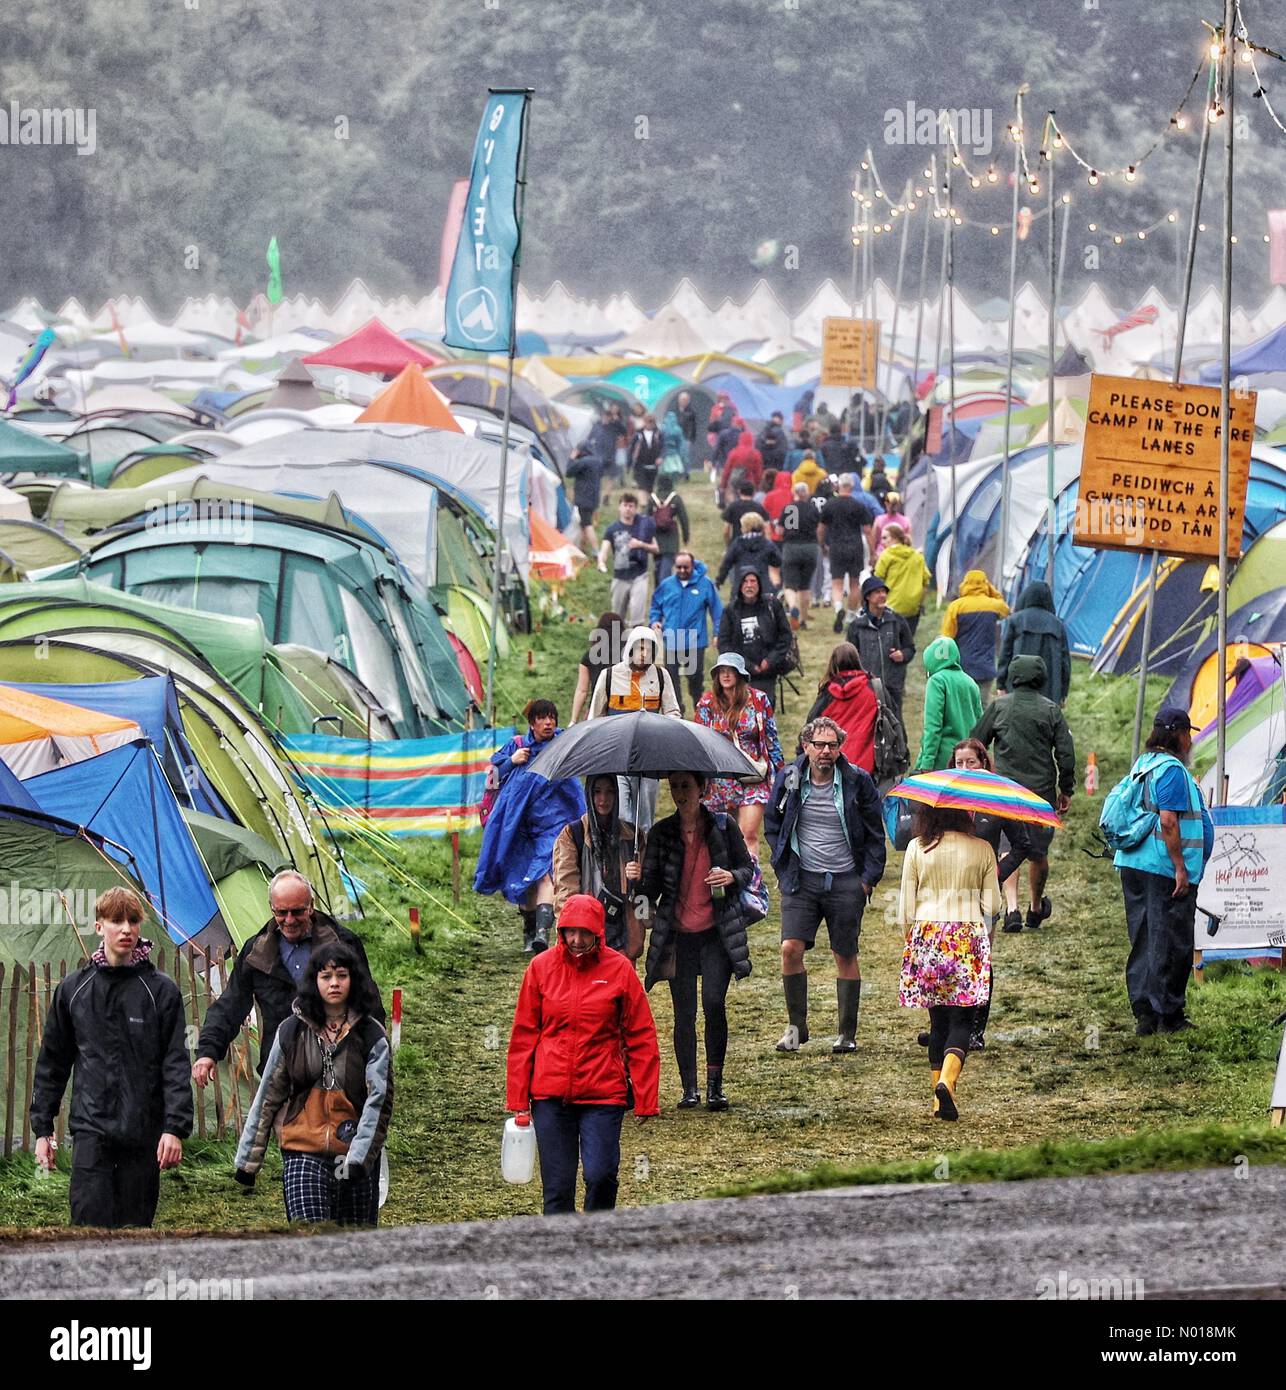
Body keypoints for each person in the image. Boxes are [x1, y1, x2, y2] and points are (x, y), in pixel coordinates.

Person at [31, 886, 191, 1228]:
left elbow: (175, 1063)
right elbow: (52, 1063)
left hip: (142, 1133)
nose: (126, 930)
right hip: (91, 1131)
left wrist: (174, 1128)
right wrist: (43, 1130)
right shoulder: (73, 990)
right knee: (88, 1228)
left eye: (133, 921)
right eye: (116, 921)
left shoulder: (161, 991)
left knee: (134, 1235)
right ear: (98, 926)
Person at [506, 895, 660, 1214]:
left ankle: (595, 1241)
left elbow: (641, 1034)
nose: (577, 940)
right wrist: (518, 1099)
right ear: (560, 932)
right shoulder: (540, 969)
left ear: (599, 933)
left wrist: (646, 1097)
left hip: (603, 1094)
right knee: (558, 1189)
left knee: (601, 1175)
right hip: (550, 1096)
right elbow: (524, 1036)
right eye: (570, 932)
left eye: (585, 933)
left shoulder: (619, 970)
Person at [233, 942, 393, 1224]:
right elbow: (268, 1095)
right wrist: (248, 1160)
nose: (334, 983)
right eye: (326, 976)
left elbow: (378, 1101)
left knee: (355, 1251)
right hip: (302, 1149)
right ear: (313, 981)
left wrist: (359, 1156)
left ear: (354, 979)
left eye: (342, 975)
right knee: (310, 1242)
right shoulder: (291, 1032)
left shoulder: (371, 1035)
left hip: (354, 1153)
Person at [765, 715, 886, 1054]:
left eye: (832, 745)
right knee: (790, 948)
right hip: (802, 879)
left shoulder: (858, 780)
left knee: (844, 953)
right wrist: (781, 860)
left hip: (846, 880)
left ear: (839, 748)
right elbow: (772, 822)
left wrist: (866, 881)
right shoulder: (789, 777)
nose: (826, 751)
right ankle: (796, 1026)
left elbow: (876, 834)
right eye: (819, 744)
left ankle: (846, 1032)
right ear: (806, 746)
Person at [636, 772, 754, 1110]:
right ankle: (690, 1089)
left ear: (702, 788)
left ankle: (715, 1085)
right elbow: (650, 888)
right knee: (683, 1013)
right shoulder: (662, 832)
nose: (679, 793)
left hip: (716, 933)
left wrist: (731, 876)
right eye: (674, 787)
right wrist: (637, 879)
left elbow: (747, 870)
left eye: (686, 786)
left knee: (714, 1003)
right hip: (679, 937)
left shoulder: (722, 826)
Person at [195, 869, 382, 1081]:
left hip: (338, 1067)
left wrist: (375, 1054)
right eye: (281, 913)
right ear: (271, 908)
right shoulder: (256, 953)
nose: (289, 920)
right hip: (281, 1069)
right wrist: (208, 1051)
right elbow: (231, 1005)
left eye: (297, 912)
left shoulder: (344, 944)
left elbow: (368, 1003)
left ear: (311, 906)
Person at [1114, 707, 1215, 1036]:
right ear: (1180, 736)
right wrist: (1180, 869)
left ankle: (1145, 1011)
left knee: (1144, 937)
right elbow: (1169, 821)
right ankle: (1167, 1014)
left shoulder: (1144, 763)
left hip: (1134, 862)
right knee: (1172, 940)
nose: (1191, 741)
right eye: (1189, 734)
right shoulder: (1171, 769)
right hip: (1162, 868)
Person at [898, 802, 1001, 1121]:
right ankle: (947, 1082)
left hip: (927, 934)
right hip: (966, 937)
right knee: (962, 1022)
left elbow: (905, 905)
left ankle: (936, 1101)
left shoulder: (917, 847)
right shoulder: (983, 848)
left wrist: (911, 940)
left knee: (938, 1022)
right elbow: (993, 904)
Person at [972, 656, 1075, 931]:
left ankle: (1012, 908)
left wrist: (983, 774)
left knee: (1008, 847)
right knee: (1037, 852)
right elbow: (1066, 752)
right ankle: (1036, 906)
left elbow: (976, 742)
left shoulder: (998, 707)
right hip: (1040, 795)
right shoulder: (1051, 710)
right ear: (1041, 678)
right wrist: (1066, 789)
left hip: (1004, 792)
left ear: (1013, 677)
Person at [475, 699, 585, 954]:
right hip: (520, 827)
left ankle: (542, 935)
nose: (548, 723)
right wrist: (512, 761)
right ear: (532, 722)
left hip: (554, 825)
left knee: (545, 874)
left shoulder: (563, 744)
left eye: (552, 718)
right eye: (542, 718)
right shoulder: (517, 746)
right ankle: (529, 932)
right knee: (524, 880)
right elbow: (492, 777)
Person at [589, 625, 681, 831]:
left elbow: (673, 711)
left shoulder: (660, 676)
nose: (643, 654)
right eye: (639, 648)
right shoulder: (609, 676)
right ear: (629, 648)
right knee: (622, 814)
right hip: (616, 756)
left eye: (648, 649)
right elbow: (595, 717)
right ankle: (624, 856)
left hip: (649, 757)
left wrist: (662, 731)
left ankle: (645, 855)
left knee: (645, 816)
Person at [695, 652, 784, 860]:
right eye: (721, 671)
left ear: (740, 674)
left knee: (748, 834)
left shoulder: (758, 700)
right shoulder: (707, 703)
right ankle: (727, 885)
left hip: (753, 776)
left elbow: (771, 739)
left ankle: (750, 887)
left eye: (730, 671)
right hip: (719, 779)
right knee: (721, 838)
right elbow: (699, 742)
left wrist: (781, 774)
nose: (725, 675)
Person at [553, 775, 647, 961]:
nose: (603, 799)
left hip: (623, 934)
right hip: (585, 932)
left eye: (609, 792)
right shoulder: (572, 835)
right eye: (597, 792)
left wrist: (638, 877)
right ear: (588, 794)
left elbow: (646, 895)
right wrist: (573, 933)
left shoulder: (634, 837)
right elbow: (565, 890)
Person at [649, 550, 722, 715]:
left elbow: (717, 610)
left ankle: (699, 705)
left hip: (695, 640)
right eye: (679, 567)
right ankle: (676, 710)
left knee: (695, 675)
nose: (682, 571)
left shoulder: (704, 584)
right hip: (672, 640)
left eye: (686, 567)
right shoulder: (667, 585)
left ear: (692, 566)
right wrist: (655, 621)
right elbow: (655, 605)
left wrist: (717, 633)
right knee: (671, 676)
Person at [716, 567, 794, 703]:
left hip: (767, 673)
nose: (749, 585)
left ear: (759, 584)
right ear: (739, 585)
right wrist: (747, 665)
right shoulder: (731, 610)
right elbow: (724, 644)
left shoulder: (772, 605)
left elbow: (785, 637)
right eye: (745, 581)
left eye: (753, 581)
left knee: (764, 712)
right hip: (740, 673)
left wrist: (770, 660)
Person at [845, 575, 916, 721]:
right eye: (877, 592)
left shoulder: (897, 621)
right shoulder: (857, 626)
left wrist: (902, 655)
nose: (882, 595)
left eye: (884, 592)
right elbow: (849, 657)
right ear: (868, 597)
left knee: (896, 726)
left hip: (893, 686)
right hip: (866, 687)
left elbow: (910, 648)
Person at [804, 643, 878, 774]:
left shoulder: (828, 693)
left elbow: (811, 725)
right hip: (867, 763)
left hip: (832, 763)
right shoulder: (873, 689)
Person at [914, 636, 983, 772]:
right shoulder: (970, 682)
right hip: (967, 759)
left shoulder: (936, 681)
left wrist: (926, 762)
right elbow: (980, 722)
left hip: (943, 760)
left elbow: (933, 725)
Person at [998, 580, 1072, 706]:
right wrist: (1063, 693)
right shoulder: (1057, 625)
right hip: (1050, 691)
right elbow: (1065, 663)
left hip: (1017, 687)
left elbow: (1005, 654)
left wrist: (1001, 684)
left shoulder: (1015, 621)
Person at [818, 473, 876, 633]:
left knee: (837, 583)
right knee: (854, 583)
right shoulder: (858, 505)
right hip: (855, 547)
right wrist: (872, 552)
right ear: (851, 487)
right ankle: (850, 615)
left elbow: (821, 528)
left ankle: (838, 609)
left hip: (836, 547)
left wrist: (822, 545)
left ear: (838, 486)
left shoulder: (830, 505)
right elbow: (867, 530)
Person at [942, 568, 1011, 701]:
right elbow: (1006, 609)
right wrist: (991, 590)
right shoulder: (994, 606)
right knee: (981, 705)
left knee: (961, 704)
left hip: (961, 665)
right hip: (985, 665)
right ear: (986, 584)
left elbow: (946, 638)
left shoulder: (955, 607)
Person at [598, 493, 659, 627]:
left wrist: (641, 544)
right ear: (619, 507)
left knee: (637, 615)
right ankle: (616, 645)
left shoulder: (644, 526)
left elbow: (655, 548)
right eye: (625, 505)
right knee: (616, 617)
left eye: (631, 506)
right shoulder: (612, 529)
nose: (628, 509)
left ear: (636, 508)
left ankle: (637, 645)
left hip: (640, 575)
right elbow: (604, 549)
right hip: (620, 576)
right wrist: (601, 562)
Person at [873, 523, 932, 636]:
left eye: (885, 537)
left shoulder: (886, 555)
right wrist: (920, 602)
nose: (882, 541)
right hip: (912, 607)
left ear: (895, 538)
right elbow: (926, 581)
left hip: (891, 606)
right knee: (908, 642)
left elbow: (877, 580)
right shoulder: (917, 556)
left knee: (890, 642)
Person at [778, 481, 821, 630]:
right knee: (805, 586)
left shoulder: (788, 508)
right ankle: (803, 619)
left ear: (794, 492)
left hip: (791, 547)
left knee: (790, 585)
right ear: (807, 493)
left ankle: (792, 607)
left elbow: (780, 531)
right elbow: (818, 528)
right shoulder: (812, 509)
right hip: (810, 547)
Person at [570, 611, 625, 724]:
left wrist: (573, 720)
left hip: (596, 710)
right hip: (623, 710)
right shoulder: (627, 655)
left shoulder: (589, 655)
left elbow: (582, 690)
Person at [716, 510, 783, 596]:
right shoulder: (767, 544)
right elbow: (778, 561)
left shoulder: (737, 543)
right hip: (762, 585)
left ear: (744, 527)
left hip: (741, 584)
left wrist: (719, 581)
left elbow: (726, 563)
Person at [565, 438, 608, 552]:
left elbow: (568, 472)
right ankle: (582, 548)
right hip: (594, 498)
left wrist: (572, 457)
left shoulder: (584, 462)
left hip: (584, 498)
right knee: (584, 523)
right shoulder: (597, 461)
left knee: (587, 524)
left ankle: (596, 551)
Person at [719, 428, 764, 503]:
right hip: (749, 482)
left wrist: (723, 486)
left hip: (736, 481)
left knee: (736, 499)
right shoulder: (756, 453)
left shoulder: (733, 452)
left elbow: (727, 471)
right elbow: (758, 473)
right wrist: (758, 486)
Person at [630, 412, 664, 494]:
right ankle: (643, 503)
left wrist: (661, 457)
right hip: (640, 464)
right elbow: (631, 448)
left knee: (650, 487)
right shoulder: (638, 434)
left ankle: (648, 504)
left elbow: (663, 447)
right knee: (642, 486)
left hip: (653, 464)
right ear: (644, 421)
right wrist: (630, 461)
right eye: (648, 421)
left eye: (651, 421)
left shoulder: (658, 434)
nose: (649, 423)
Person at [676, 390, 699, 474]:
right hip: (676, 437)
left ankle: (686, 474)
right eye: (682, 400)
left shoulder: (691, 412)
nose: (683, 402)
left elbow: (693, 427)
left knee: (685, 456)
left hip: (686, 437)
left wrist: (690, 438)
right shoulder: (675, 411)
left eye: (685, 400)